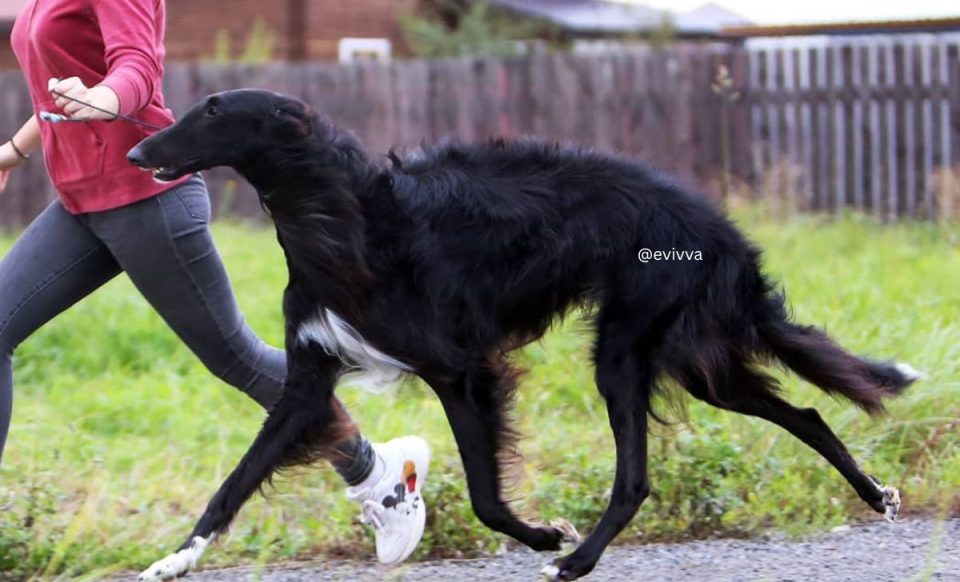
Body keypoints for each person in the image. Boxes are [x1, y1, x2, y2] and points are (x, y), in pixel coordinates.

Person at [0, 0, 429, 565]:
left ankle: (380, 474)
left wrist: (104, 98)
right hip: (80, 204)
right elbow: (61, 91)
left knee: (239, 360)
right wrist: (12, 152)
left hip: (148, 202)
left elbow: (136, 67)